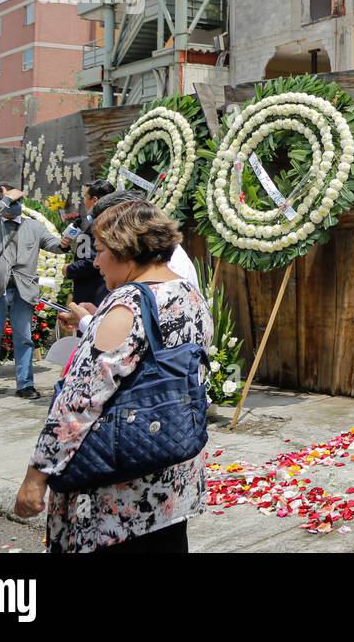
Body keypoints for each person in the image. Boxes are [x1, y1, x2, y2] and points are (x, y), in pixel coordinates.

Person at [14, 199, 213, 553]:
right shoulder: (189, 295)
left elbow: (78, 402)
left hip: (117, 500)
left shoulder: (127, 305)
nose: (95, 260)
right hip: (171, 481)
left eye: (102, 249)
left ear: (127, 251)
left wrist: (35, 477)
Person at [57, 189, 201, 341]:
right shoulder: (153, 284)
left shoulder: (140, 295)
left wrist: (89, 322)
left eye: (100, 250)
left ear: (124, 243)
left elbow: (122, 349)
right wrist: (98, 316)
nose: (96, 262)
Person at [0, 185, 69, 403]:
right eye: (12, 202)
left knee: (24, 338)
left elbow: (52, 244)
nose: (16, 206)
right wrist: (5, 200)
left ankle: (25, 384)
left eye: (17, 202)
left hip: (23, 290)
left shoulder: (33, 226)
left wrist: (64, 245)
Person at [61, 179, 114, 307]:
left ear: (95, 200)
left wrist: (70, 269)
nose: (83, 202)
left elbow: (93, 261)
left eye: (85, 197)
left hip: (93, 290)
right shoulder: (104, 222)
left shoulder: (102, 225)